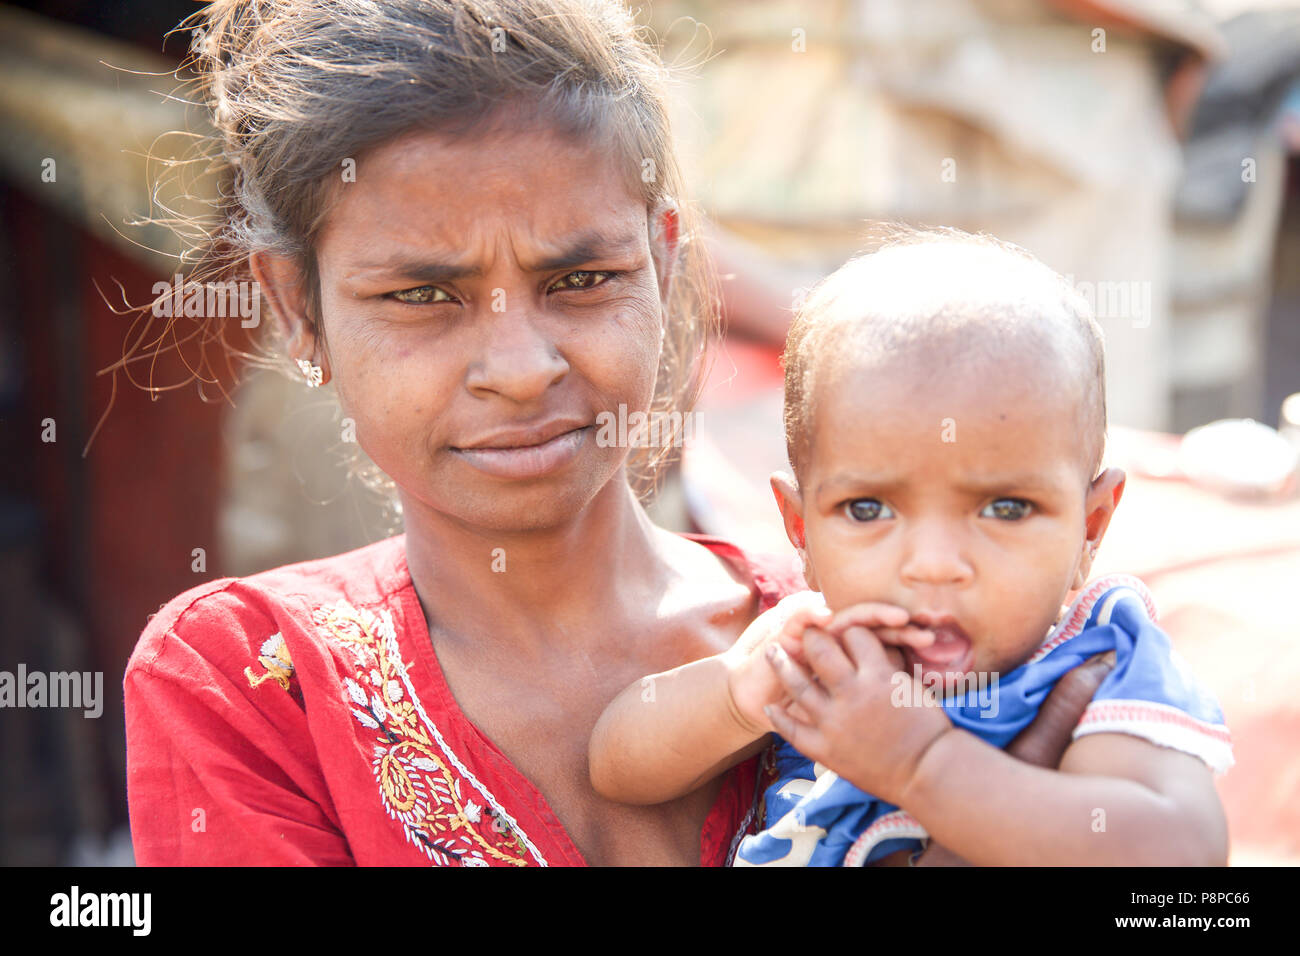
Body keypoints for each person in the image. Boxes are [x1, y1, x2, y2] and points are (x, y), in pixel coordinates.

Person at [123, 1, 1115, 867]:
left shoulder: (883, 642)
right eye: (423, 294)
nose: (520, 365)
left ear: (665, 263)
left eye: (581, 280)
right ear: (298, 309)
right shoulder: (250, 679)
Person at [589, 227, 1233, 866]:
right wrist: (732, 697)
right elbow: (616, 769)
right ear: (800, 528)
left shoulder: (1094, 660)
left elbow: (1181, 852)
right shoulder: (816, 652)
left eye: (1006, 509)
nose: (932, 565)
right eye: (867, 510)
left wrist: (922, 765)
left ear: (1089, 526)